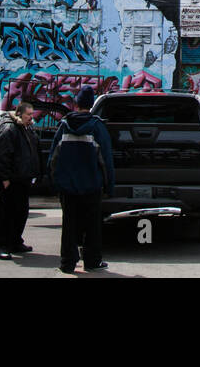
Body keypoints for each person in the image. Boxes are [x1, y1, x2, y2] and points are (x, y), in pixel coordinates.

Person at [50, 87, 115, 273]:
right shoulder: (97, 127)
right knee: (92, 225)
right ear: (92, 105)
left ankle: (67, 263)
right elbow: (106, 160)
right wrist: (109, 185)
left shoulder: (64, 125)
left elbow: (53, 157)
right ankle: (92, 261)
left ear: (76, 104)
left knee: (69, 225)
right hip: (91, 185)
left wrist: (54, 182)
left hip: (68, 186)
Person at [0, 102, 41, 261]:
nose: (31, 118)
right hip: (11, 180)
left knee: (21, 212)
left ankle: (15, 241)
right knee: (7, 214)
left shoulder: (26, 129)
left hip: (23, 179)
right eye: (28, 115)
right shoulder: (9, 129)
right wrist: (4, 178)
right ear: (19, 114)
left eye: (32, 115)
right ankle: (2, 245)